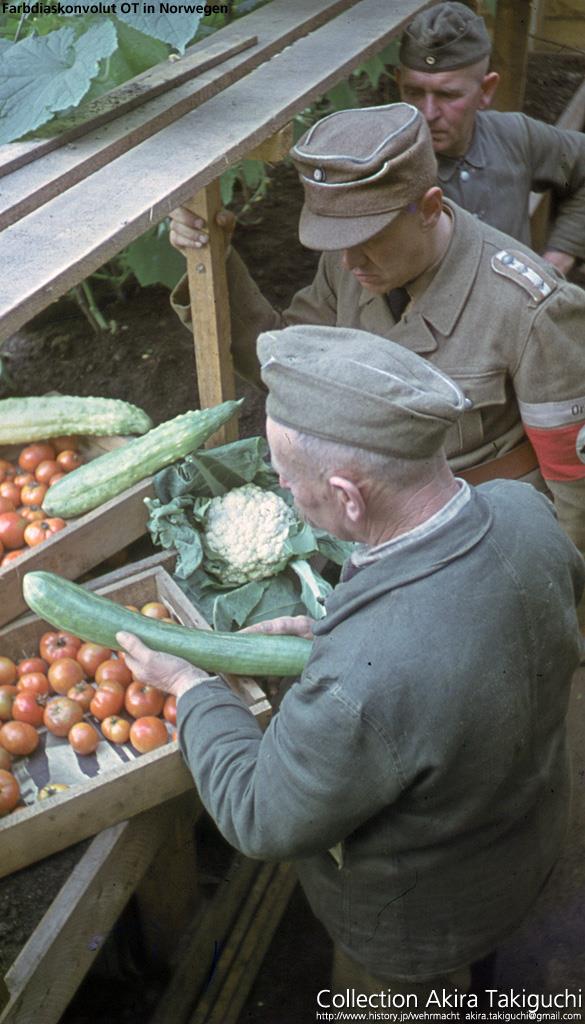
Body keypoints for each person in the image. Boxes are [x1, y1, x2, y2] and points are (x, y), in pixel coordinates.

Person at [117, 323, 585, 999]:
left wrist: (191, 688)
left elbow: (259, 816)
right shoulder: (524, 511)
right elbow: (489, 626)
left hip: (416, 928)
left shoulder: (358, 690)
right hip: (521, 842)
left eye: (287, 478)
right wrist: (345, 628)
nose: (281, 488)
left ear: (347, 495)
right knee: (489, 971)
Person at [169, 103, 585, 589]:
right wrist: (213, 260)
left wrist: (558, 603)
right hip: (368, 529)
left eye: (368, 238)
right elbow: (286, 368)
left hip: (484, 543)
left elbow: (573, 482)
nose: (348, 261)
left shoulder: (530, 307)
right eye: (336, 240)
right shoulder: (352, 267)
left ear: (430, 208)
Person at [396, 1, 585, 275]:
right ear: (398, 82)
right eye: (413, 92)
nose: (428, 112)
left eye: (447, 95)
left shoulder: (515, 137)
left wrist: (558, 258)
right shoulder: (382, 162)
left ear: (486, 90)